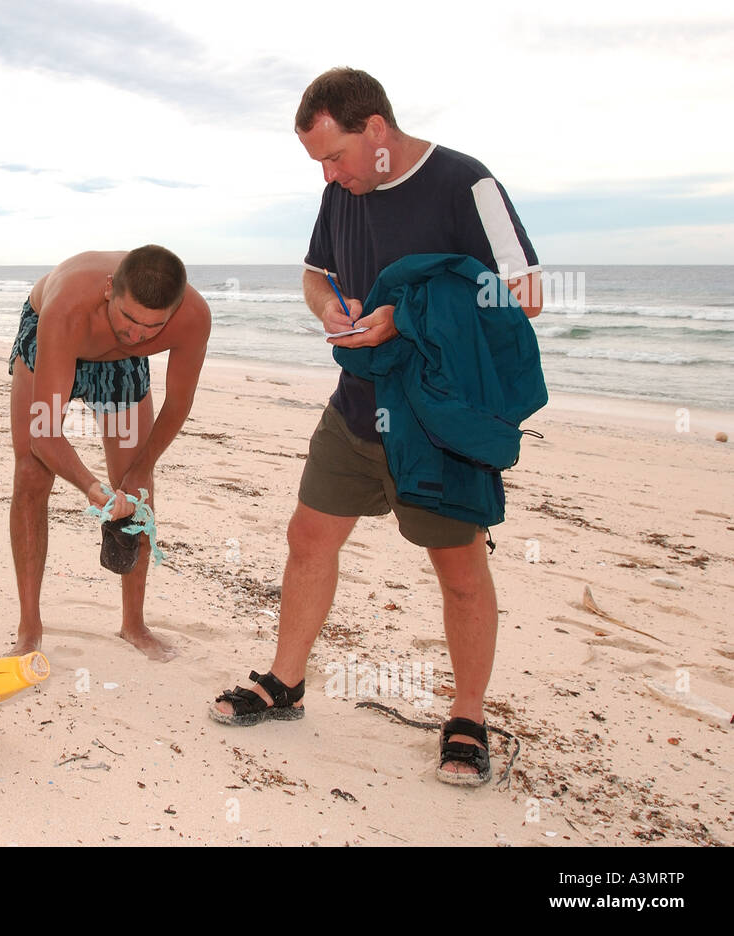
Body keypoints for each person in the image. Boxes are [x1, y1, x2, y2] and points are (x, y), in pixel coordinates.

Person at [211, 68, 543, 786]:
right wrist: (327, 306)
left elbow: (526, 294)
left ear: (377, 132)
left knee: (458, 571)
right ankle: (286, 683)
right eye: (317, 164)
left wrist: (409, 315)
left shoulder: (466, 184)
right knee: (308, 536)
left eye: (335, 156)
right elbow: (314, 273)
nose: (327, 175)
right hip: (357, 402)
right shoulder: (340, 193)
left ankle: (468, 717)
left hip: (438, 423)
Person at [8, 246, 211, 661]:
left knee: (138, 490)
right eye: (130, 318)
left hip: (121, 367)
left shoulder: (193, 317)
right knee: (31, 472)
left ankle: (133, 624)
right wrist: (91, 487)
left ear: (173, 312)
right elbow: (44, 435)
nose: (137, 333)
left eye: (152, 327)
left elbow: (178, 404)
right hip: (56, 341)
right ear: (108, 290)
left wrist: (141, 469)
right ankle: (30, 626)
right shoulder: (68, 308)